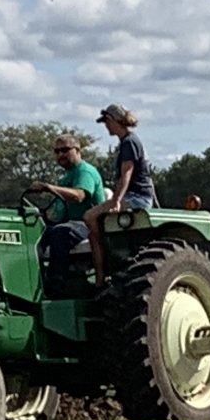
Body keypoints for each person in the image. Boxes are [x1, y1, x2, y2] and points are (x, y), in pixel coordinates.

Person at [85, 102, 156, 282]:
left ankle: (107, 262)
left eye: (106, 122)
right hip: (133, 195)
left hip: (137, 198)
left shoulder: (129, 143)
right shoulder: (126, 142)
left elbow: (127, 174)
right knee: (94, 227)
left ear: (113, 120)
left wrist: (116, 200)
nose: (106, 126)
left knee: (90, 217)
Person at [29, 134, 106, 297]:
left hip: (89, 224)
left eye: (65, 150)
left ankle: (56, 285)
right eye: (56, 152)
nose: (60, 155)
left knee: (60, 233)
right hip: (71, 224)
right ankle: (33, 282)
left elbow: (79, 196)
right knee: (34, 234)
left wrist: (48, 187)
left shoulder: (84, 172)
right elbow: (58, 211)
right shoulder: (65, 178)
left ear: (78, 150)